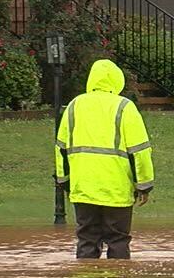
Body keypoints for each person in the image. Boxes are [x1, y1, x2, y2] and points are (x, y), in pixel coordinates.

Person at [54, 59, 154, 259]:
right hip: (116, 190)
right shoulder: (125, 107)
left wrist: (64, 182)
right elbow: (140, 151)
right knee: (118, 240)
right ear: (117, 81)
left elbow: (61, 149)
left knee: (86, 240)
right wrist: (144, 186)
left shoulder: (74, 106)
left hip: (83, 189)